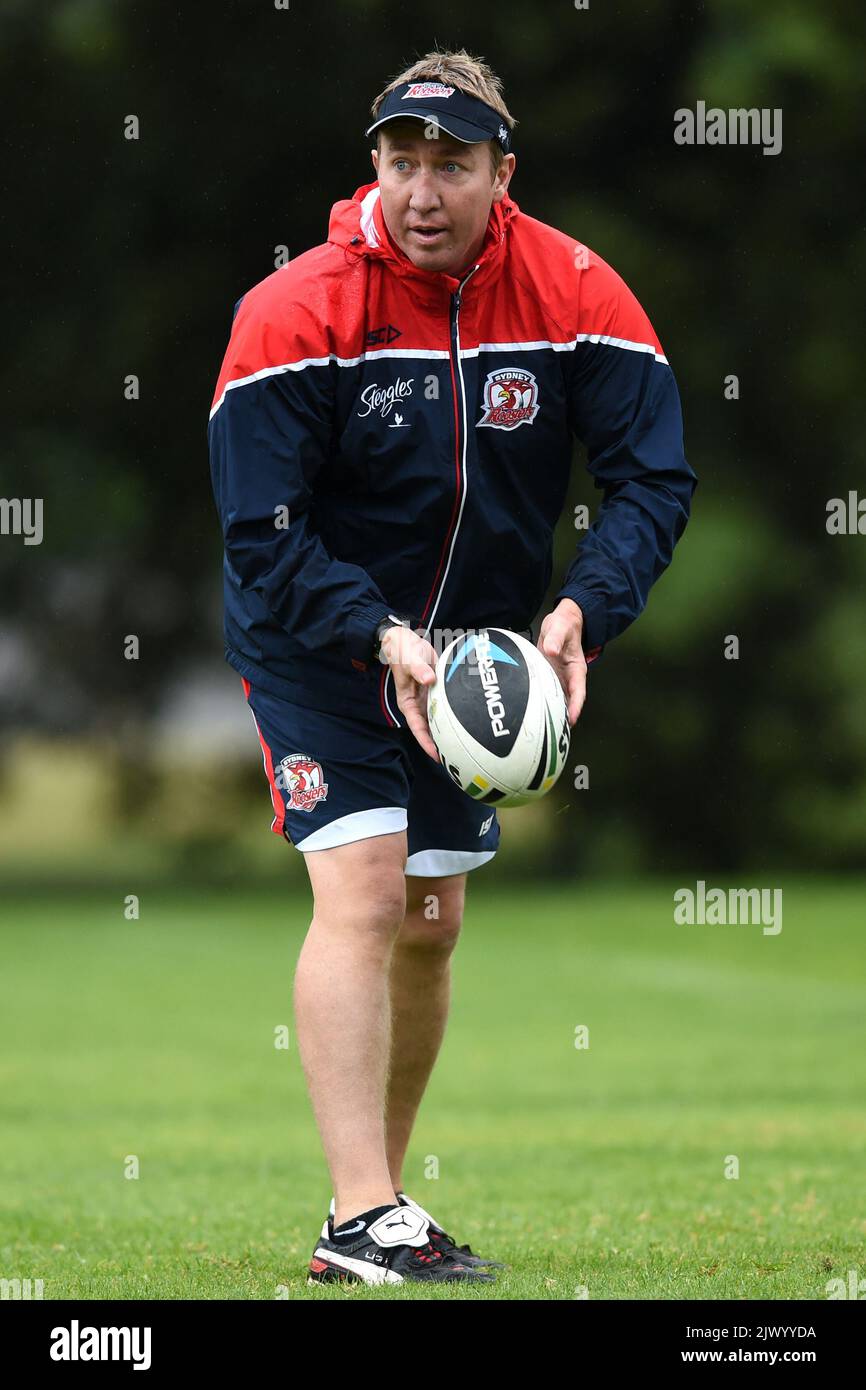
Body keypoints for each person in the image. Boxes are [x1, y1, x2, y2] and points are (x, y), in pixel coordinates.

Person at [207, 48, 697, 1286]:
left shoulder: (575, 287)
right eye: (401, 160)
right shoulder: (295, 310)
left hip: (474, 655)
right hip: (320, 637)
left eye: (452, 165)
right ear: (373, 163)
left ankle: (372, 1208)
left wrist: (585, 604)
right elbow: (259, 531)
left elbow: (652, 475)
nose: (423, 191)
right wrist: (379, 636)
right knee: (367, 891)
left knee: (431, 922)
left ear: (501, 173)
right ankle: (364, 1212)